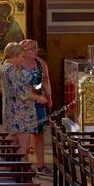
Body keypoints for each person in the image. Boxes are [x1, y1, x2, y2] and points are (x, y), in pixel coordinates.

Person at [0, 41, 39, 159]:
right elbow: (22, 92)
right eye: (21, 57)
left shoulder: (5, 66)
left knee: (16, 148)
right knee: (23, 149)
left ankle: (17, 173)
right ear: (15, 55)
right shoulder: (11, 69)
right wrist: (39, 98)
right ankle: (23, 175)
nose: (23, 60)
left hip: (12, 111)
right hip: (20, 114)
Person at [22, 39, 53, 176]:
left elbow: (46, 80)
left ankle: (41, 165)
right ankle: (25, 165)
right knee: (24, 136)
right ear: (23, 51)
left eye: (36, 48)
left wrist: (49, 97)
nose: (35, 51)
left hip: (39, 102)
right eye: (31, 49)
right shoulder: (18, 63)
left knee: (39, 134)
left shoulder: (40, 63)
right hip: (23, 103)